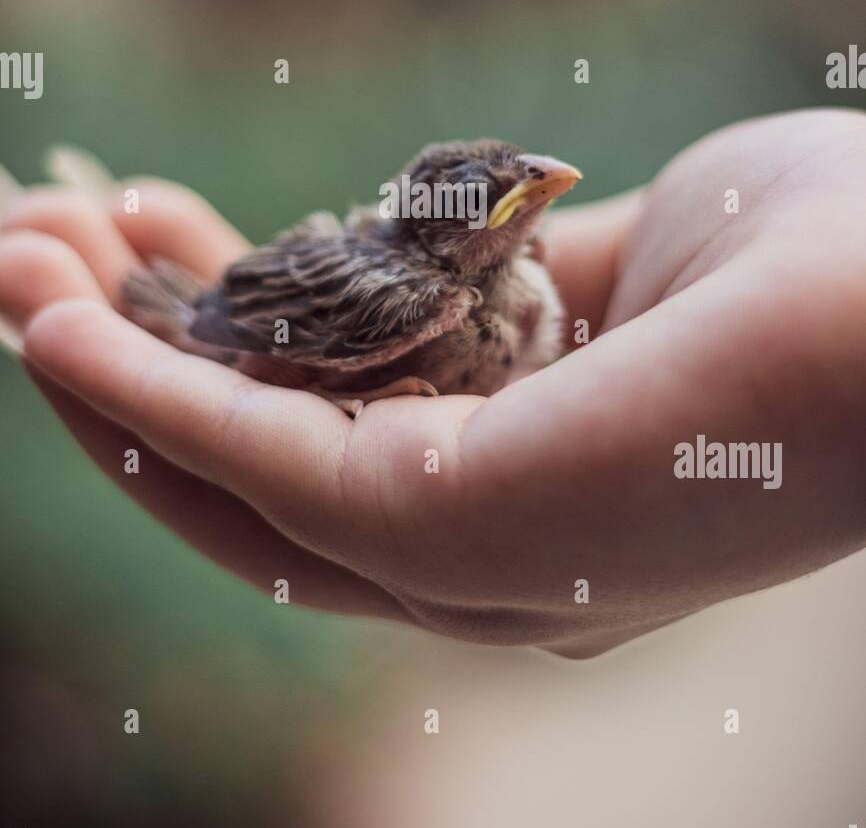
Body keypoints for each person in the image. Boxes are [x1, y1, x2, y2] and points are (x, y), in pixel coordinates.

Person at [1, 108, 864, 658]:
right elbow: (249, 323)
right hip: (242, 317)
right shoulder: (421, 298)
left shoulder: (526, 271)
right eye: (499, 199)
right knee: (86, 294)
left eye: (527, 185)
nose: (539, 192)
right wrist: (219, 334)